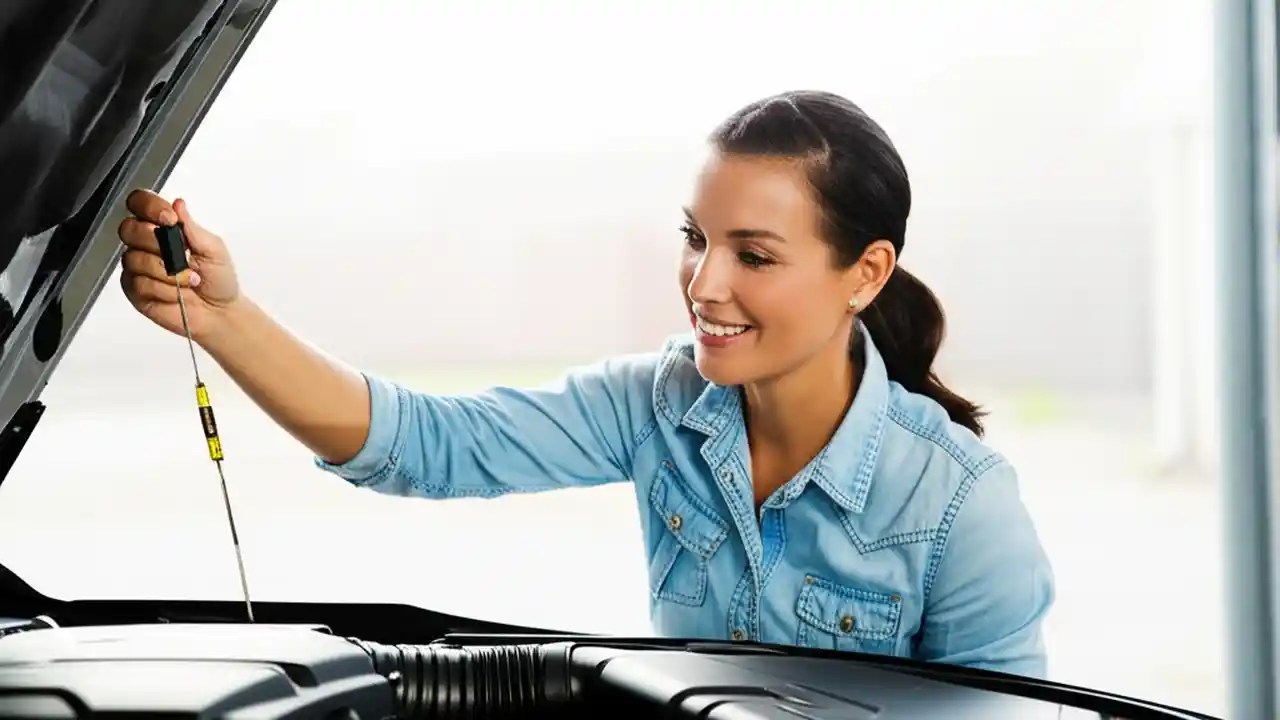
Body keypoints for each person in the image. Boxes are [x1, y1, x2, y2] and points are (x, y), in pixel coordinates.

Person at [117, 90, 1054, 678]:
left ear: (867, 272)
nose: (704, 284)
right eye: (696, 238)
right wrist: (224, 315)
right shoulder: (661, 403)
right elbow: (427, 446)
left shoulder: (962, 508)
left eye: (754, 255)